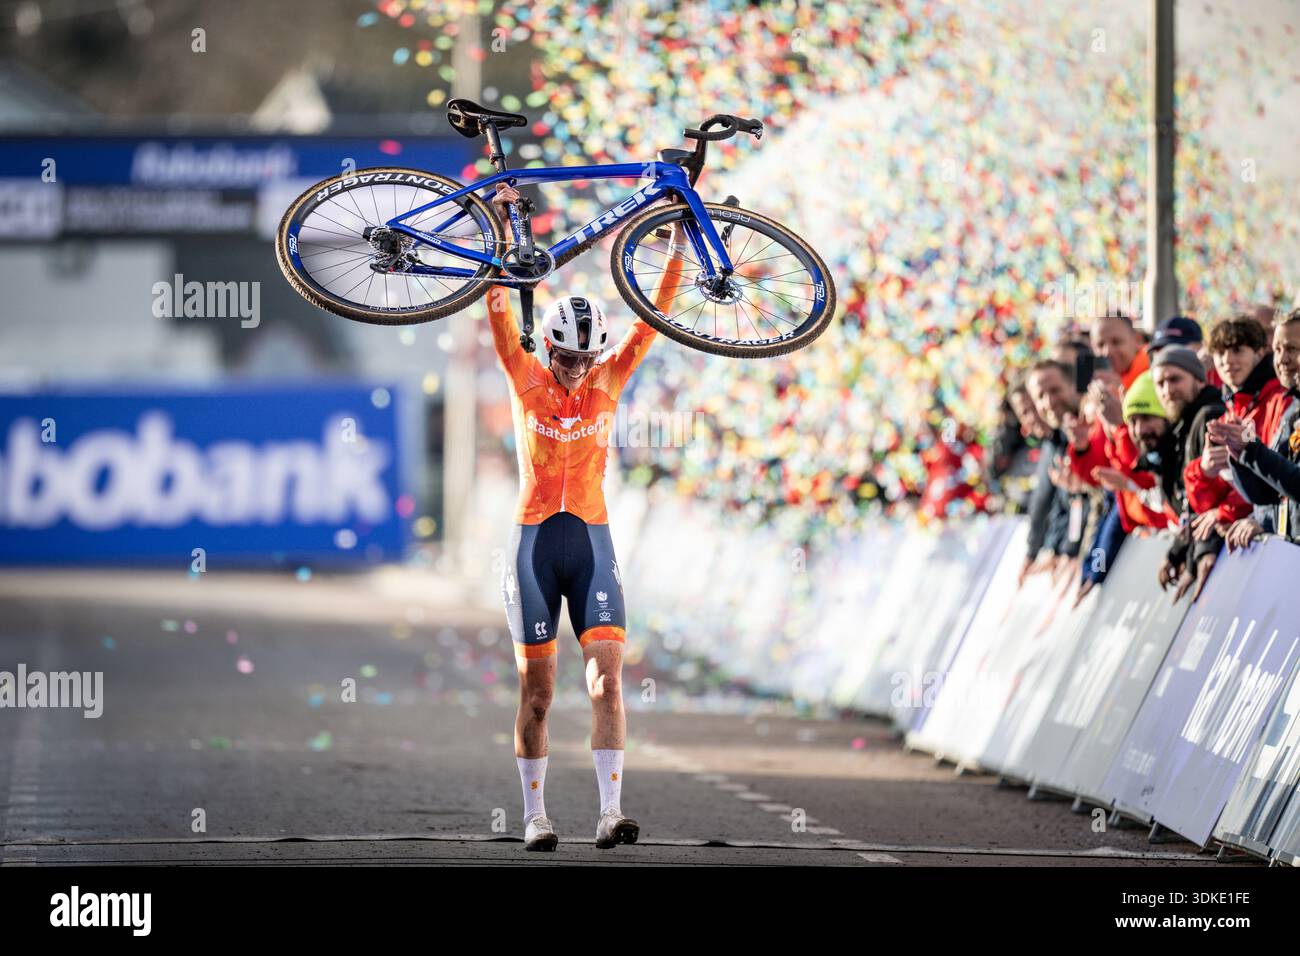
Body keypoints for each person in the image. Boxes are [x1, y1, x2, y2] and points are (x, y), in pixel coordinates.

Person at [486, 182, 689, 851]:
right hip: (534, 547)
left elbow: (655, 316)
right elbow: (493, 299)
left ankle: (610, 813)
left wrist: (680, 242)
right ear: (547, 348)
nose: (576, 371)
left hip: (593, 544)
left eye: (586, 359)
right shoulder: (525, 377)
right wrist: (498, 219)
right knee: (538, 695)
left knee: (606, 679)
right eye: (566, 358)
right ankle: (535, 817)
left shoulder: (609, 377)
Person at [1183, 314, 1282, 550]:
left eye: (1237, 350)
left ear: (1259, 352)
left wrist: (1226, 512)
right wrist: (1205, 471)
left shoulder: (1279, 399)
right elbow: (1205, 503)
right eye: (1219, 353)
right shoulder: (1229, 411)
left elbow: (1278, 476)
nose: (1227, 360)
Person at [1208, 309, 1300, 545]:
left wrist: (1252, 449)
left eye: (1292, 349)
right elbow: (1267, 495)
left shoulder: (1281, 400)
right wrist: (1240, 453)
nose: (1282, 359)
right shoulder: (1293, 411)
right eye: (1278, 350)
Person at [1147, 347, 1226, 600]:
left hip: (1220, 553)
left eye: (1175, 379)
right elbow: (1188, 504)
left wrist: (1197, 556)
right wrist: (1177, 551)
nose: (1167, 390)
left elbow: (1215, 495)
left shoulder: (1209, 415)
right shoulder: (1182, 426)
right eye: (1160, 383)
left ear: (1199, 379)